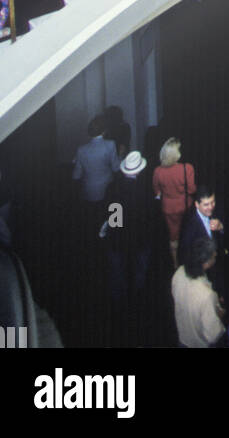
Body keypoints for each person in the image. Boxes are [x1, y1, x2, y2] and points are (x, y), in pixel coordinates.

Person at [102, 150, 156, 329]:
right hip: (140, 240)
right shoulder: (144, 191)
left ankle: (119, 308)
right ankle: (139, 301)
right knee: (140, 271)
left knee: (118, 275)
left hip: (118, 240)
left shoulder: (112, 188)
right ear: (139, 171)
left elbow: (113, 219)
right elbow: (149, 219)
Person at [172, 237, 225, 348]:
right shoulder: (207, 295)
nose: (215, 255)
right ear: (206, 262)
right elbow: (213, 335)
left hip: (182, 339)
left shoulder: (179, 273)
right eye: (214, 256)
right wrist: (219, 314)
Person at [153, 136, 196, 270]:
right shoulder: (187, 168)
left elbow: (157, 192)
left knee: (173, 238)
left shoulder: (158, 171)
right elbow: (192, 189)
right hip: (185, 205)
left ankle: (176, 265)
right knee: (190, 233)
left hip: (169, 208)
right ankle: (191, 262)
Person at [73, 115, 121, 207]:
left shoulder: (81, 149)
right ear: (104, 131)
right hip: (107, 189)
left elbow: (76, 175)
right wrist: (121, 156)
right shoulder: (110, 144)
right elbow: (116, 168)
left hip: (87, 191)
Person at [178, 185, 224, 266]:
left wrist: (221, 227)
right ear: (197, 204)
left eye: (213, 202)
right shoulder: (189, 223)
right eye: (206, 205)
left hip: (219, 261)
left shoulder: (216, 209)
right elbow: (185, 253)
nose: (211, 207)